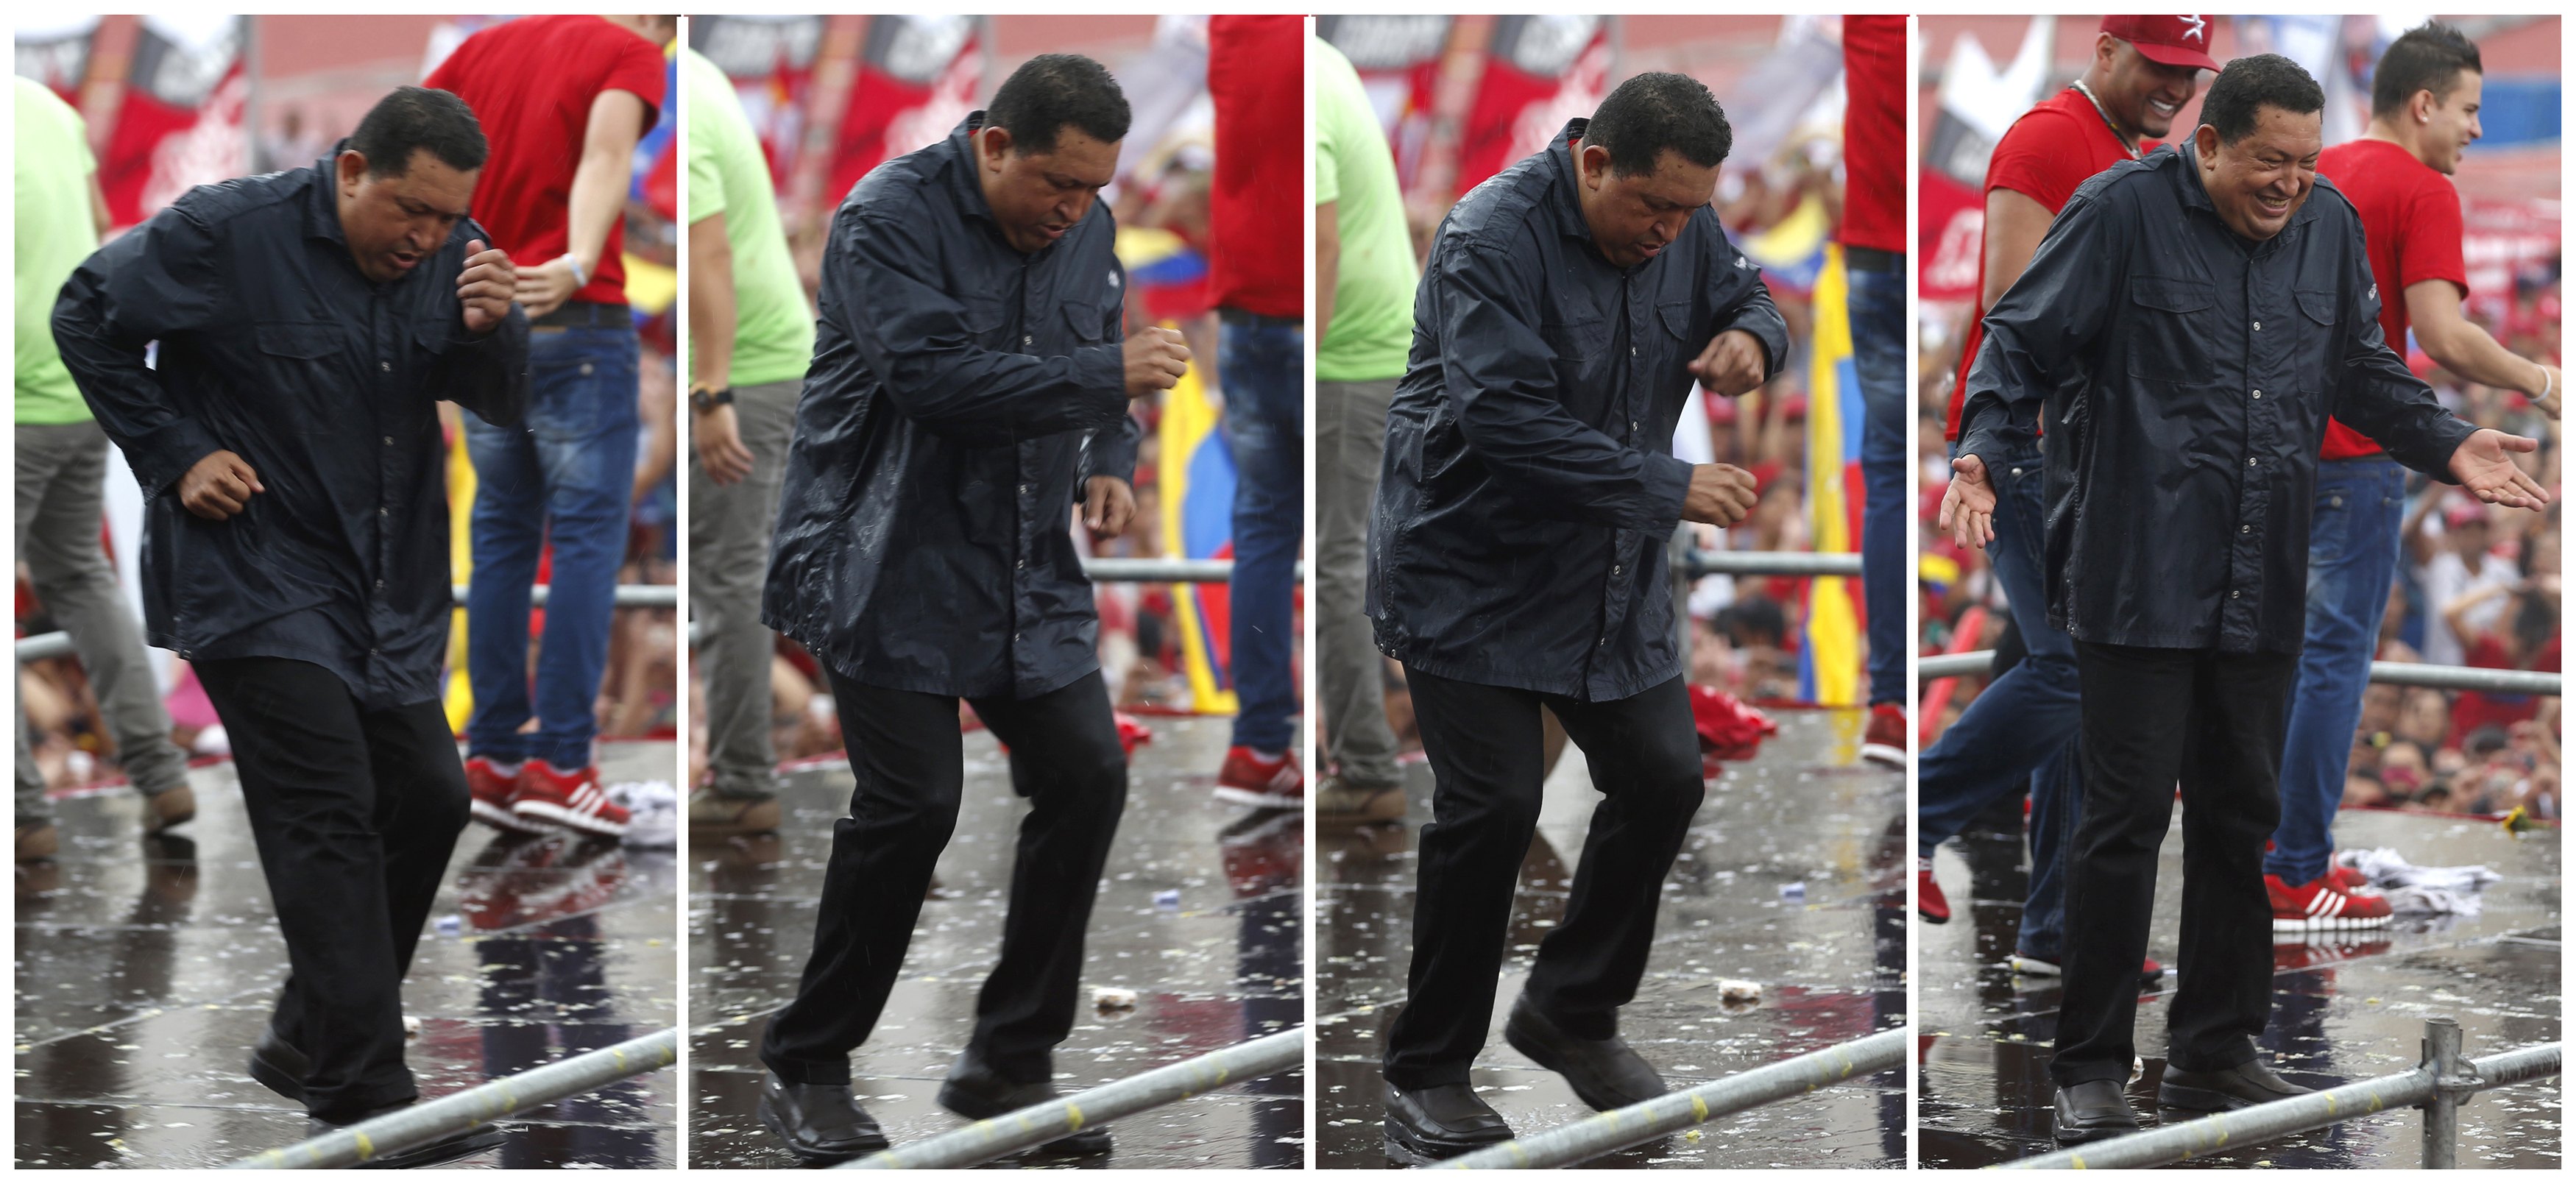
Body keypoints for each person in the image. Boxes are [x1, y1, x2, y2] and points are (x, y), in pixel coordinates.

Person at [1939, 54, 2548, 1144]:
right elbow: (2016, 341)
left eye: (2306, 163)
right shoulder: (2118, 211)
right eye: (2271, 160)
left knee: (2240, 814)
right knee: (2123, 819)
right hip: (2134, 569)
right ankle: (2089, 1064)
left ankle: (2217, 1048)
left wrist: (2450, 441)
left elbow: (2363, 369)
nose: (2290, 183)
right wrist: (1983, 450)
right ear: (2210, 144)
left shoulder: (2328, 224)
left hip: (2262, 569)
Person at [53, 85, 531, 1166]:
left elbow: (497, 402)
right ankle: (364, 1096)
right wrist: (175, 453)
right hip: (251, 572)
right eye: (410, 209)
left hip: (385, 587)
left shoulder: (456, 255)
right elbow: (84, 314)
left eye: (448, 217)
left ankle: (310, 1032)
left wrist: (498, 329)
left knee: (432, 795)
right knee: (327, 807)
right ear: (352, 170)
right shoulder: (227, 230)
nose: (427, 237)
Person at [751, 55, 1186, 1164]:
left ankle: (1010, 1059)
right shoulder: (885, 219)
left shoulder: (1086, 226)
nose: (1073, 209)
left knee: (1088, 774)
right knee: (911, 810)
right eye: (1056, 183)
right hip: (882, 561)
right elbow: (936, 382)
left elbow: (1104, 367)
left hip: (1025, 567)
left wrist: (1111, 456)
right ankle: (808, 1061)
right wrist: (1107, 379)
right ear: (994, 145)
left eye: (1093, 188)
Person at [1370, 73, 1783, 1160]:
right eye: (1654, 206)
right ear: (1593, 163)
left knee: (1665, 776)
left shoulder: (1683, 218)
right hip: (1468, 572)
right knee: (1494, 809)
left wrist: (1753, 338)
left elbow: (1747, 290)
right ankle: (1428, 1068)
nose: (1670, 230)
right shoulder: (1490, 236)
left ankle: (1571, 1008)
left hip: (1606, 578)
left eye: (1689, 210)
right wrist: (1667, 486)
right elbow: (1506, 422)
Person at [1914, 17, 2210, 989]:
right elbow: (2013, 301)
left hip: (2092, 453)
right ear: (2106, 52)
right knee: (2077, 670)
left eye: (2190, 73)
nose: (2176, 88)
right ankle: (1918, 817)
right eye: (2161, 66)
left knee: (2081, 676)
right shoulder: (2049, 137)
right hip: (2029, 444)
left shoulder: (2136, 154)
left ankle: (2060, 926)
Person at [2274, 21, 2563, 927]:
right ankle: (2294, 869)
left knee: (2275, 665)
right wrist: (2542, 381)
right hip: (2355, 459)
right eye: (2468, 110)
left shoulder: (2314, 170)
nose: (2475, 130)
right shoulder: (2422, 188)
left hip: (2272, 456)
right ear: (2423, 103)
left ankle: (2269, 852)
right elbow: (2442, 336)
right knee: (2332, 668)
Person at [426, 14, 673, 840]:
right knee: (584, 545)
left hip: (487, 322)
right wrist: (574, 260)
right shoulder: (627, 49)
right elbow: (606, 153)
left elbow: (410, 142)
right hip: (578, 319)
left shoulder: (482, 46)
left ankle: (494, 757)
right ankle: (563, 764)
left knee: (500, 540)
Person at [14, 75, 197, 858]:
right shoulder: (45, 106)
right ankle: (160, 773)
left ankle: (21, 814)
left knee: (74, 574)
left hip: (16, 396)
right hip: (76, 385)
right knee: (79, 573)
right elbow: (96, 229)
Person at [681, 41, 814, 837]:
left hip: (746, 372)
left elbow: (709, 249)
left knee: (730, 578)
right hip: (763, 363)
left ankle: (740, 783)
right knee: (780, 573)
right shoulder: (697, 74)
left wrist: (711, 391)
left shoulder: (676, 95)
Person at [1312, 35, 1416, 823]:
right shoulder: (1324, 61)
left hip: (1348, 358)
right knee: (1365, 558)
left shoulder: (1299, 84)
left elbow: (1321, 241)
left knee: (1340, 565)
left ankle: (1367, 769)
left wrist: (1299, 373)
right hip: (1380, 345)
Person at [1205, 15, 1306, 809]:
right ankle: (1355, 750)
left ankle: (1260, 743)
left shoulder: (1228, 27)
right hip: (1314, 315)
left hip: (1245, 315)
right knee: (1354, 541)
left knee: (1265, 533)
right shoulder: (1311, 39)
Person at [1841, 15, 1910, 768]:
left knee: (1888, 473)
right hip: (1945, 250)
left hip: (1871, 252)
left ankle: (1890, 702)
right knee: (2013, 456)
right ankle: (2047, 676)